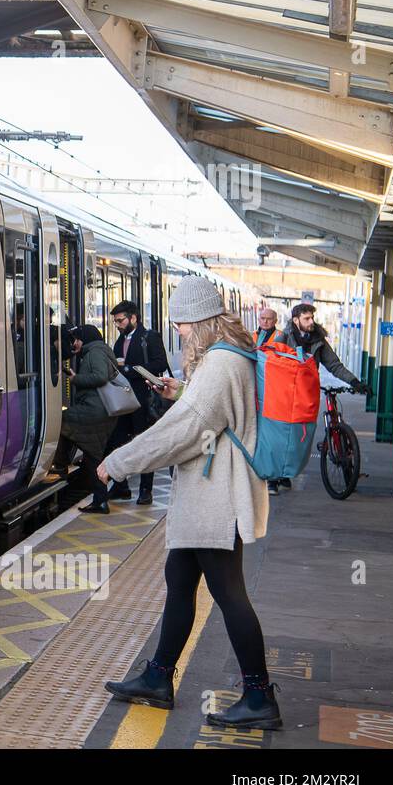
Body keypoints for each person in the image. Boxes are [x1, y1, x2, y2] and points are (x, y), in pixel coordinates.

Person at [100, 275, 279, 730]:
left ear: (199, 321)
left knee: (229, 594)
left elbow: (186, 431)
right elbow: (207, 411)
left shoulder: (220, 363)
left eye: (181, 324)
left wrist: (119, 461)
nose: (177, 331)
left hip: (216, 496)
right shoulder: (228, 356)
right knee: (179, 579)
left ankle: (259, 696)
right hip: (207, 493)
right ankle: (158, 678)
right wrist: (180, 392)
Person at [270, 303, 369, 494]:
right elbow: (273, 363)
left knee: (299, 435)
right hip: (285, 393)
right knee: (281, 435)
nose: (311, 322)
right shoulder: (284, 337)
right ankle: (273, 479)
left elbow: (334, 365)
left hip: (306, 393)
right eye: (307, 319)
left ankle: (286, 473)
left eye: (312, 318)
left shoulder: (319, 340)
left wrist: (355, 382)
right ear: (296, 320)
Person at [105, 300, 171, 506]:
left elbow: (161, 363)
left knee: (145, 444)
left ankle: (145, 490)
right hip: (124, 401)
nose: (118, 325)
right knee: (118, 441)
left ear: (133, 318)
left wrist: (130, 369)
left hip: (144, 400)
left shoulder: (149, 337)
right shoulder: (120, 339)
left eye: (120, 320)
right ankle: (120, 486)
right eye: (115, 322)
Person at [48, 325, 118, 513]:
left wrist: (76, 378)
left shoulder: (95, 352)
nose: (74, 344)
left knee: (62, 420)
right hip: (101, 410)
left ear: (84, 339)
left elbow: (100, 377)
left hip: (95, 410)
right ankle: (100, 500)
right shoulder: (98, 350)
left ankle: (60, 465)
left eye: (76, 340)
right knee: (93, 457)